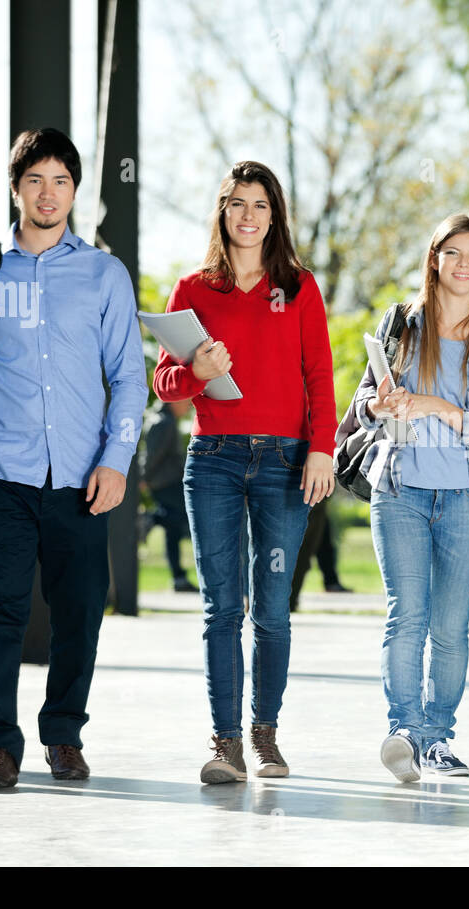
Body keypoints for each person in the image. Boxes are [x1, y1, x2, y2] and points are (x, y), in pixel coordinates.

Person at [0, 128, 147, 789]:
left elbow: (129, 376)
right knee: (0, 607)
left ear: (74, 191)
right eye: (35, 181)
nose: (48, 194)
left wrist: (117, 458)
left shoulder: (104, 274)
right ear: (16, 188)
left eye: (61, 181)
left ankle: (64, 737)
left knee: (79, 610)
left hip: (82, 477)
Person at [153, 160, 337, 785]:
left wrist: (322, 448)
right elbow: (166, 386)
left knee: (273, 609)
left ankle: (266, 734)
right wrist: (197, 373)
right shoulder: (194, 290)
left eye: (261, 205)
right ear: (223, 212)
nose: (249, 216)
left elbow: (319, 375)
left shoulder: (300, 287)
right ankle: (225, 742)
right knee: (220, 608)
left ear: (274, 215)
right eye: (238, 204)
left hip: (286, 461)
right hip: (214, 462)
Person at [351, 213, 469, 781]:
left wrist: (437, 407)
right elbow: (365, 402)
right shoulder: (402, 324)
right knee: (406, 618)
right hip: (400, 491)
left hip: (466, 500)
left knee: (449, 626)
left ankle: (438, 738)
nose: (463, 265)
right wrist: (383, 406)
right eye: (453, 253)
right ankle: (404, 732)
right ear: (435, 259)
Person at [140, 399, 197, 592]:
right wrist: (143, 478)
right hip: (166, 484)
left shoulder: (167, 420)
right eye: (186, 401)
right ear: (174, 400)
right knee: (176, 519)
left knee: (173, 529)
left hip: (168, 483)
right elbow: (152, 455)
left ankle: (178, 577)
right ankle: (152, 519)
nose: (189, 406)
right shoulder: (163, 422)